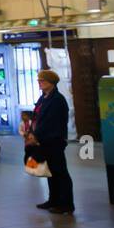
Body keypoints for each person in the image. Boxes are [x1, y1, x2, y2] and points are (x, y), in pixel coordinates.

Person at [30, 69, 74, 214]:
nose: (39, 83)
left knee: (60, 172)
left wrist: (36, 134)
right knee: (50, 172)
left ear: (51, 83)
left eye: (42, 81)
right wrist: (31, 132)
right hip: (43, 141)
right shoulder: (44, 98)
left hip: (53, 141)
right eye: (39, 80)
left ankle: (66, 203)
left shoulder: (57, 100)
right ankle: (53, 200)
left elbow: (51, 122)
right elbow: (36, 117)